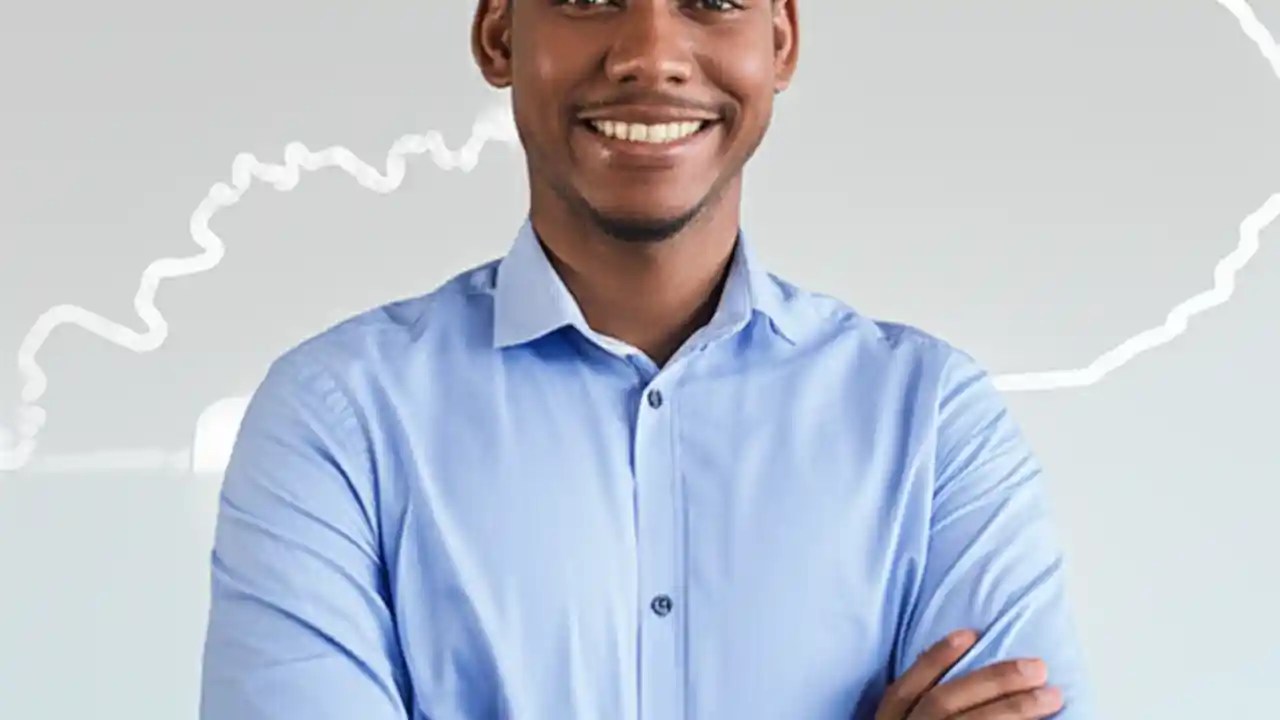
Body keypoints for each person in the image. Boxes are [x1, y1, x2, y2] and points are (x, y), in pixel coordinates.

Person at [199, 1, 1094, 718]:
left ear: (779, 40)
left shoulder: (933, 422)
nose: (652, 53)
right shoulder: (338, 419)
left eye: (710, 1)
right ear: (499, 31)